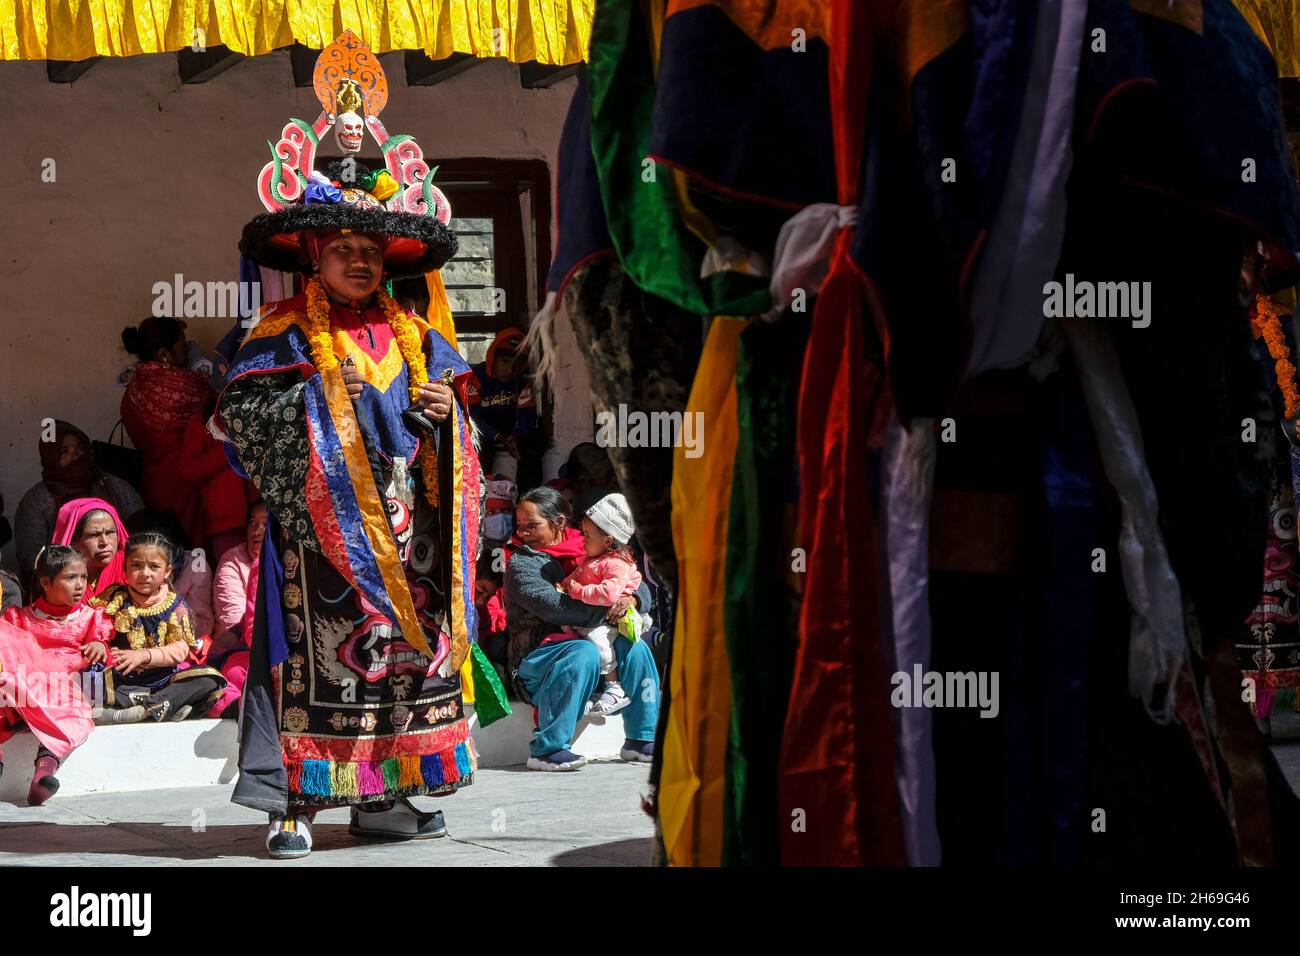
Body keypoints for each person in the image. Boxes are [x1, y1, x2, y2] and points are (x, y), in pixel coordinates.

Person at [218, 33, 491, 859]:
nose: (360, 262)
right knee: (304, 670)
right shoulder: (278, 333)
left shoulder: (419, 335)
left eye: (372, 252)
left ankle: (386, 798)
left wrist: (446, 419)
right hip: (315, 543)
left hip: (408, 535)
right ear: (312, 255)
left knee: (402, 668)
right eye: (343, 249)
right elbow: (245, 428)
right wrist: (324, 423)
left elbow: (464, 439)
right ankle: (293, 806)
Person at [504, 487, 659, 771]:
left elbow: (637, 583)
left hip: (600, 653)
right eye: (520, 525)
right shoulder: (523, 565)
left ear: (560, 522)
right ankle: (547, 750)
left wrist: (632, 599)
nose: (522, 532)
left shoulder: (592, 546)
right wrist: (614, 606)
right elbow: (560, 608)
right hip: (538, 662)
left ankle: (641, 739)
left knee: (634, 645)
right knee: (583, 651)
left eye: (532, 525)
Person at [120, 317, 248, 554]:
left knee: (171, 554)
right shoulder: (186, 389)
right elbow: (217, 398)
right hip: (190, 485)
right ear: (164, 354)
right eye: (182, 347)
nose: (188, 352)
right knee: (198, 555)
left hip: (155, 484)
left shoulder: (133, 390)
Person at [0, 546, 105, 804]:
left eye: (83, 577)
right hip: (26, 683)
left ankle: (43, 773)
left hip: (66, 686)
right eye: (71, 578)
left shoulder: (91, 617)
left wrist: (100, 646)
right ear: (45, 582)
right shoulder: (19, 617)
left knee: (70, 710)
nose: (80, 584)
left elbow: (103, 650)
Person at [89, 531, 226, 724]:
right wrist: (98, 643)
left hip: (162, 682)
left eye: (154, 567)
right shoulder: (114, 599)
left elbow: (180, 650)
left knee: (210, 680)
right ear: (125, 568)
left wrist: (144, 655)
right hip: (122, 682)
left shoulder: (176, 605)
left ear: (167, 571)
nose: (145, 573)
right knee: (86, 681)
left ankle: (146, 708)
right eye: (136, 565)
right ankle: (165, 707)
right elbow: (91, 627)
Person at [14, 421, 143, 582]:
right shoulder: (37, 500)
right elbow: (32, 559)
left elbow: (143, 533)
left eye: (80, 448)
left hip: (121, 578)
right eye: (64, 451)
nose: (75, 455)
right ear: (50, 457)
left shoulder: (111, 486)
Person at [557, 493, 649, 716]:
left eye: (588, 535)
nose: (583, 539)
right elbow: (576, 577)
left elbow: (608, 595)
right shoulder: (591, 559)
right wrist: (563, 585)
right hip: (596, 617)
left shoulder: (617, 564)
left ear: (608, 540)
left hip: (615, 620)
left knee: (598, 641)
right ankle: (596, 689)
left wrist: (577, 591)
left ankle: (614, 687)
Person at [206, 502, 269, 718]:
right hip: (245, 646)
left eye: (266, 524)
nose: (257, 531)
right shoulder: (234, 560)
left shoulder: (291, 563)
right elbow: (235, 621)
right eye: (253, 524)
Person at [468, 327, 543, 488]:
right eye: (505, 362)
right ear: (492, 358)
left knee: (534, 444)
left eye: (517, 364)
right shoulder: (476, 377)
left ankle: (527, 495)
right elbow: (472, 416)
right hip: (484, 428)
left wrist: (515, 436)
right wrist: (497, 436)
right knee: (479, 448)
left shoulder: (523, 380)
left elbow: (527, 416)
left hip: (511, 428)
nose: (510, 369)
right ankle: (479, 494)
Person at [52, 498, 130, 598]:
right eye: (94, 535)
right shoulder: (57, 579)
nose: (104, 542)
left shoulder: (132, 567)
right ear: (73, 540)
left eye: (110, 532)